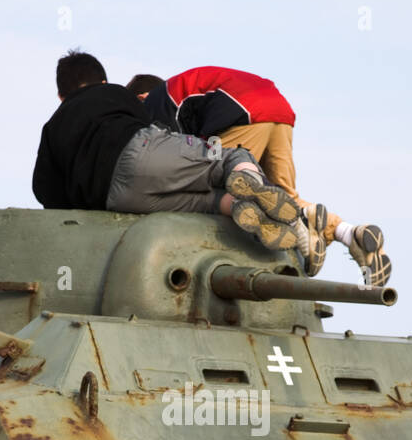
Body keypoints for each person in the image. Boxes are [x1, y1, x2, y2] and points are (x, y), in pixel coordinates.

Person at [32, 51, 312, 261]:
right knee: (227, 159)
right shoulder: (114, 93)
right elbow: (151, 126)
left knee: (210, 204)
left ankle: (241, 207)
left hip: (117, 199)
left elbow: (45, 192)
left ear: (60, 95)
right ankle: (251, 184)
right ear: (103, 81)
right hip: (139, 153)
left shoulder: (51, 129)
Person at [127, 66, 391, 286]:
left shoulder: (153, 107)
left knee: (236, 194)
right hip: (277, 110)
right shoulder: (183, 90)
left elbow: (174, 169)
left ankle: (302, 228)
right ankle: (349, 234)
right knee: (280, 196)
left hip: (241, 112)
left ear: (141, 96)